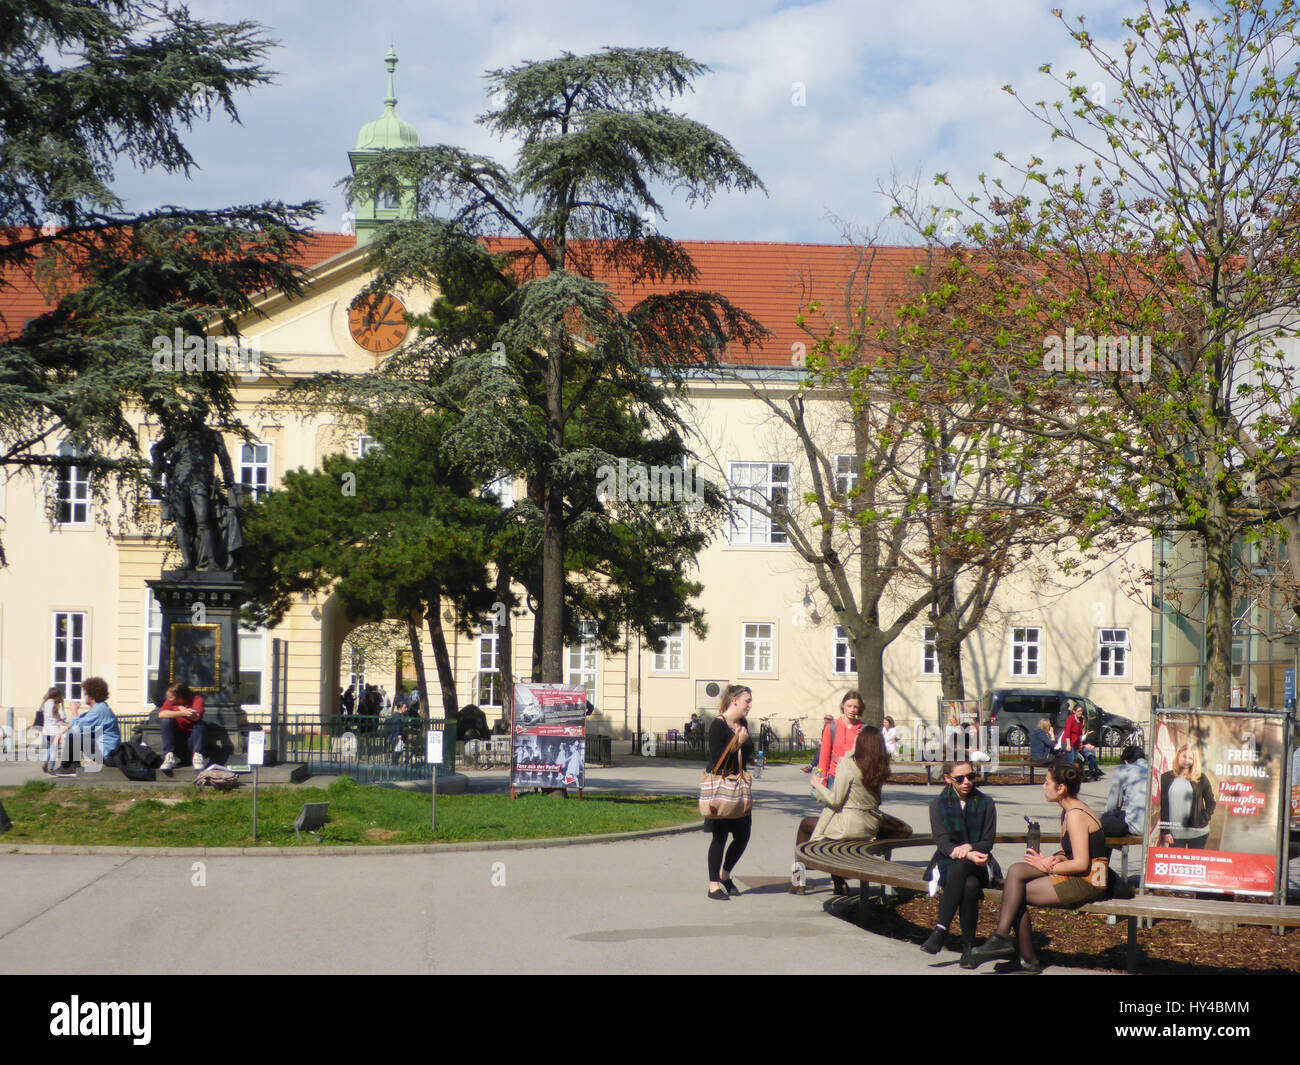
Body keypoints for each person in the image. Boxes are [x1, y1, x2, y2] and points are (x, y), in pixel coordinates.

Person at [967, 761, 1108, 973]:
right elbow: (1067, 851)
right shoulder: (1068, 810)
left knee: (1016, 893)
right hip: (1081, 874)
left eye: (1046, 782)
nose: (1043, 786)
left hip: (1089, 881)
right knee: (1016, 871)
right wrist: (1054, 859)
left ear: (1060, 788)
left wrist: (1047, 866)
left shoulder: (1075, 815)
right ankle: (1003, 939)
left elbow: (1081, 863)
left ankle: (1024, 956)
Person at [921, 760, 1000, 967]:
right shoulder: (938, 804)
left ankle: (940, 930)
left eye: (971, 777)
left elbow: (987, 842)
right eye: (960, 778)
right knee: (970, 885)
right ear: (948, 779)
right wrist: (965, 854)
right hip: (949, 861)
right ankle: (968, 948)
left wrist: (971, 851)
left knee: (964, 867)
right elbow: (942, 841)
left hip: (981, 861)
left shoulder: (986, 803)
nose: (967, 782)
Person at [799, 726, 889, 896]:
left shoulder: (848, 764)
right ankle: (838, 881)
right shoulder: (879, 766)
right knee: (829, 832)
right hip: (869, 826)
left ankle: (798, 880)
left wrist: (817, 785)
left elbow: (835, 800)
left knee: (806, 825)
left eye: (858, 737)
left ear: (862, 743)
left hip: (847, 825)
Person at [706, 684, 754, 901]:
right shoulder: (718, 725)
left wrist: (748, 749)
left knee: (743, 835)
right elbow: (718, 760)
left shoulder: (742, 724)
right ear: (734, 700)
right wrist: (738, 743)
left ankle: (725, 874)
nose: (749, 705)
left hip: (739, 787)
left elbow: (748, 751)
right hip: (721, 787)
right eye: (747, 701)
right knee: (720, 836)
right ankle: (713, 885)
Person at [52, 677, 120, 776]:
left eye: (85, 693)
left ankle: (69, 767)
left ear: (91, 696)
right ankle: (71, 766)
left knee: (74, 733)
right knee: (73, 733)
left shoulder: (99, 710)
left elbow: (78, 727)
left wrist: (74, 711)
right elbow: (78, 721)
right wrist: (60, 733)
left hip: (107, 755)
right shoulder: (100, 708)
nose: (84, 696)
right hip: (106, 753)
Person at [1158, 743, 1216, 849]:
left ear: (1194, 761)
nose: (1187, 760)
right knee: (1176, 864)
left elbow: (1211, 802)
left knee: (1196, 864)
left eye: (1191, 758)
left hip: (1198, 833)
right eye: (1184, 756)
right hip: (1175, 834)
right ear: (1178, 755)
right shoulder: (1165, 778)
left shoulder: (1200, 778)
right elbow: (1163, 807)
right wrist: (1165, 831)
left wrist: (1204, 818)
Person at [1101, 744, 1148, 850]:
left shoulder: (1123, 770)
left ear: (1126, 762)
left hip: (1136, 826)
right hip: (1157, 826)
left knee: (1105, 821)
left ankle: (1103, 862)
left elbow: (1112, 806)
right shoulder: (1156, 768)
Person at [815, 691, 863, 786]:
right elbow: (824, 756)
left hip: (856, 778)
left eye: (855, 707)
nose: (852, 710)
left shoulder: (864, 729)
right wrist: (822, 779)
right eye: (849, 706)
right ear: (843, 706)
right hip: (835, 777)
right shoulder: (832, 727)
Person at [158, 682, 207, 771]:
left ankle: (197, 756)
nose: (169, 700)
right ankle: (169, 756)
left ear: (180, 697)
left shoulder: (197, 700)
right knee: (166, 721)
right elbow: (161, 714)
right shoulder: (170, 702)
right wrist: (181, 711)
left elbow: (196, 717)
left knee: (200, 724)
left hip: (192, 740)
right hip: (177, 741)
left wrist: (187, 713)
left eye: (171, 697)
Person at [38, 686, 66, 773]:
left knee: (49, 748)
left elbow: (42, 712)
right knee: (54, 750)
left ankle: (45, 762)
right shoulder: (57, 704)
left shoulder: (45, 703)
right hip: (55, 731)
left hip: (46, 730)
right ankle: (51, 767)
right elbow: (63, 716)